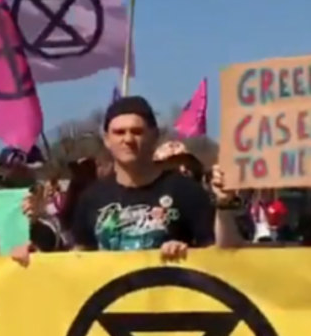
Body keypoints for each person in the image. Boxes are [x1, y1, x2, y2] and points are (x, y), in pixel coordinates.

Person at [68, 96, 214, 260]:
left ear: (154, 135)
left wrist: (187, 252)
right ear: (107, 140)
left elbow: (215, 252)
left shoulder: (186, 191)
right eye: (119, 132)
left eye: (137, 132)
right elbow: (78, 259)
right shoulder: (91, 198)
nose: (128, 139)